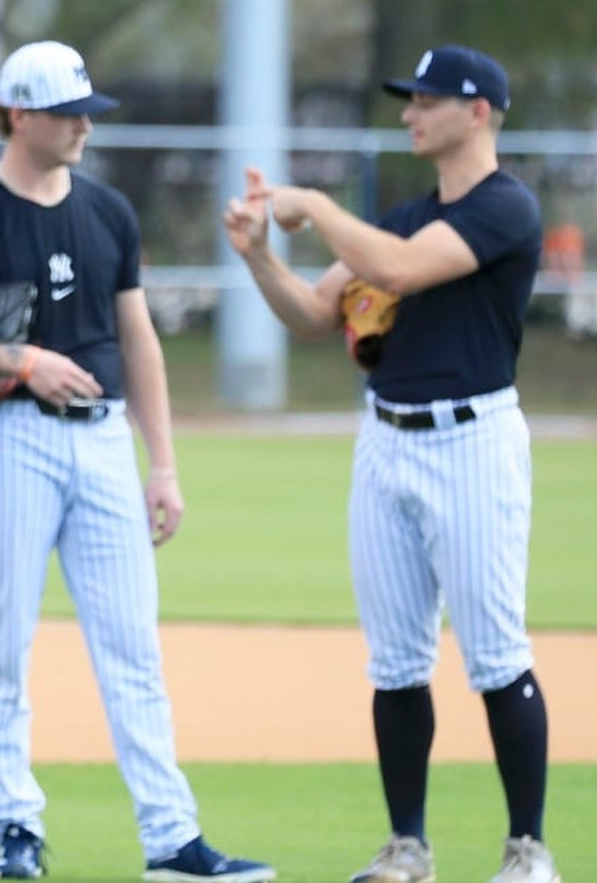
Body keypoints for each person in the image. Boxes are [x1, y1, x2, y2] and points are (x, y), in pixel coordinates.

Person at [0, 41, 272, 883]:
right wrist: (20, 361)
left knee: (133, 646)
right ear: (19, 115)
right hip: (9, 441)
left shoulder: (108, 212)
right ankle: (16, 833)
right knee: (4, 644)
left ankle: (172, 839)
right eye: (67, 114)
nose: (82, 128)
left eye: (85, 113)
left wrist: (164, 463)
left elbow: (137, 339)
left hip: (103, 441)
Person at [223, 45, 556, 883]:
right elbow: (310, 311)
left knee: (494, 652)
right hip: (386, 441)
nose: (409, 112)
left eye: (427, 99)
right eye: (409, 99)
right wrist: (262, 253)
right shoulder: (401, 220)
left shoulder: (505, 207)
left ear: (477, 112)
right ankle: (407, 846)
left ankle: (528, 849)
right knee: (397, 659)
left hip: (473, 440)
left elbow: (401, 271)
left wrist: (317, 206)